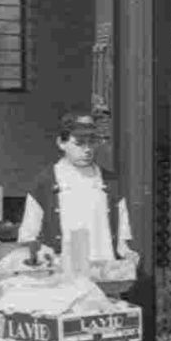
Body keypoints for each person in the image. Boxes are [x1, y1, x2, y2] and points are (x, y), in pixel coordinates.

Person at [15, 110, 136, 267]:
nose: (87, 150)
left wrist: (128, 256)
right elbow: (29, 237)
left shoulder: (111, 182)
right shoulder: (45, 182)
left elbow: (122, 240)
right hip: (62, 277)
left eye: (91, 142)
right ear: (61, 143)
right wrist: (38, 257)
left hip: (104, 274)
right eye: (79, 143)